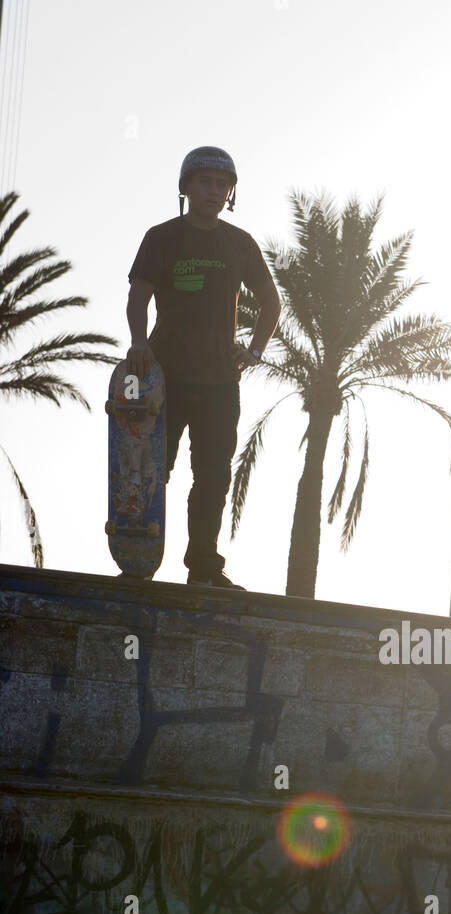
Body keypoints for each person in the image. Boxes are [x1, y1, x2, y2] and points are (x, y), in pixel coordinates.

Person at [126, 147, 281, 588]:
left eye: (222, 184)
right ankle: (138, 560)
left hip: (219, 383)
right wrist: (139, 344)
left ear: (231, 192)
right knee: (153, 470)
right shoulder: (162, 237)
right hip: (165, 378)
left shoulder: (239, 243)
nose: (214, 191)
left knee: (213, 477)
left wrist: (253, 351)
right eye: (205, 182)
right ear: (186, 187)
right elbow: (139, 296)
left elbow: (272, 302)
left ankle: (204, 569)